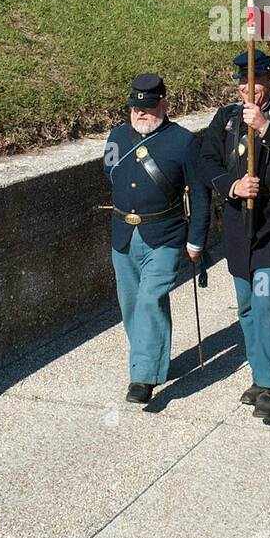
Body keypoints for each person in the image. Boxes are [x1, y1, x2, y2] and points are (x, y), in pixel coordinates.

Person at [198, 50, 270, 422]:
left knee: (267, 298)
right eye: (242, 82)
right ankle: (260, 370)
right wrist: (232, 186)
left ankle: (268, 385)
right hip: (239, 221)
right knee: (247, 304)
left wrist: (266, 127)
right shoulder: (226, 119)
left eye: (256, 81)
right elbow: (207, 163)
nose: (248, 88)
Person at [104, 74, 210, 404]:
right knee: (132, 303)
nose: (140, 113)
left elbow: (202, 196)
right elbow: (108, 171)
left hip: (164, 235)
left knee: (151, 298)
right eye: (135, 107)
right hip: (123, 234)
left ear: (164, 104)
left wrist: (196, 241)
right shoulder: (117, 136)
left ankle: (143, 377)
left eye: (148, 107)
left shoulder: (183, 141)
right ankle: (150, 361)